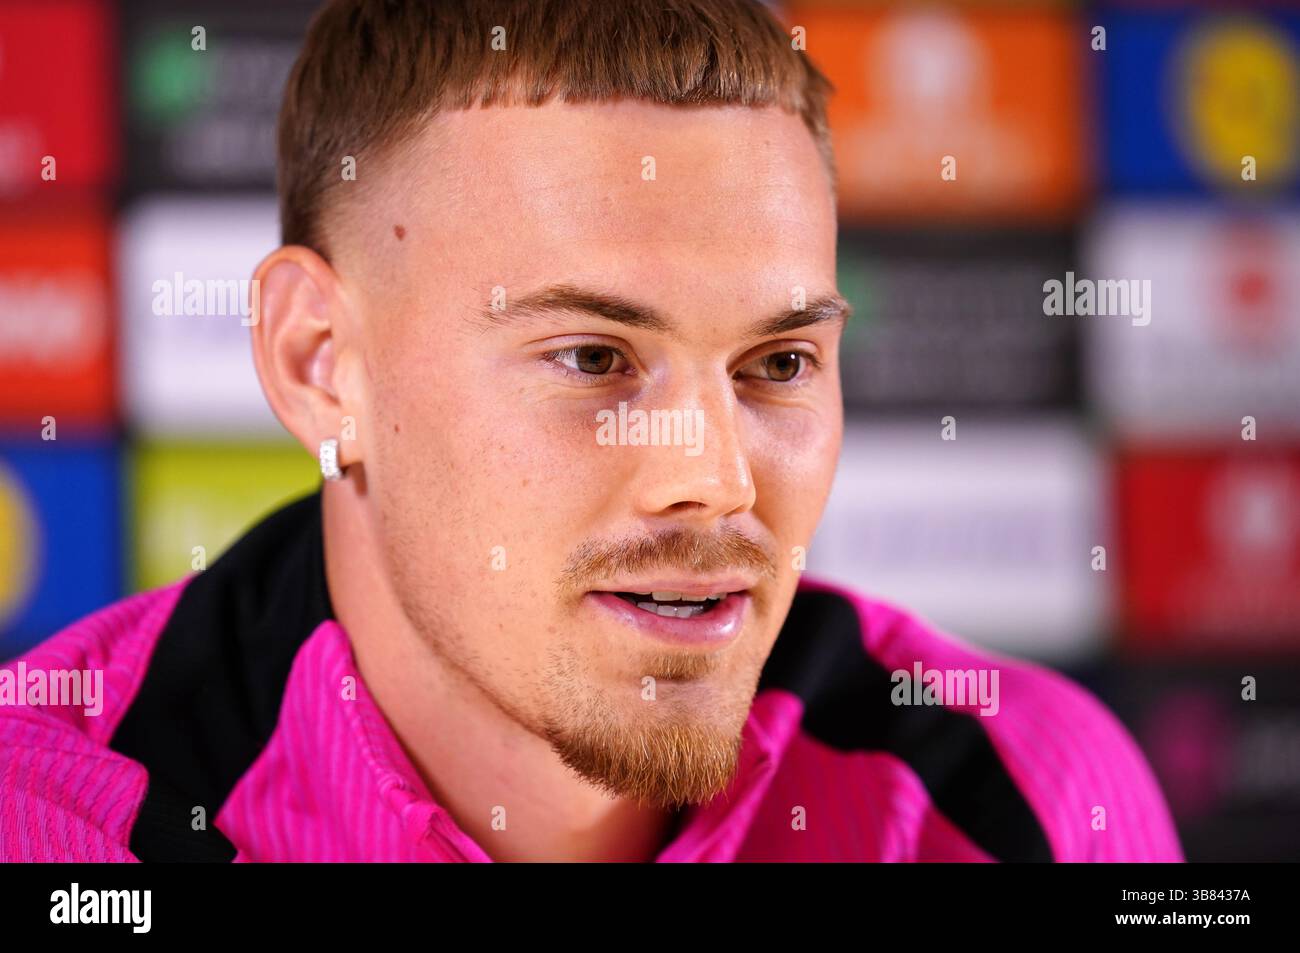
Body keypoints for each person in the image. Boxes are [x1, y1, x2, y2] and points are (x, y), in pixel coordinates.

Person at [0, 0, 1181, 862]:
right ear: (320, 365)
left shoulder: (1021, 793)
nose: (712, 480)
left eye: (778, 363)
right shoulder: (52, 820)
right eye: (592, 357)